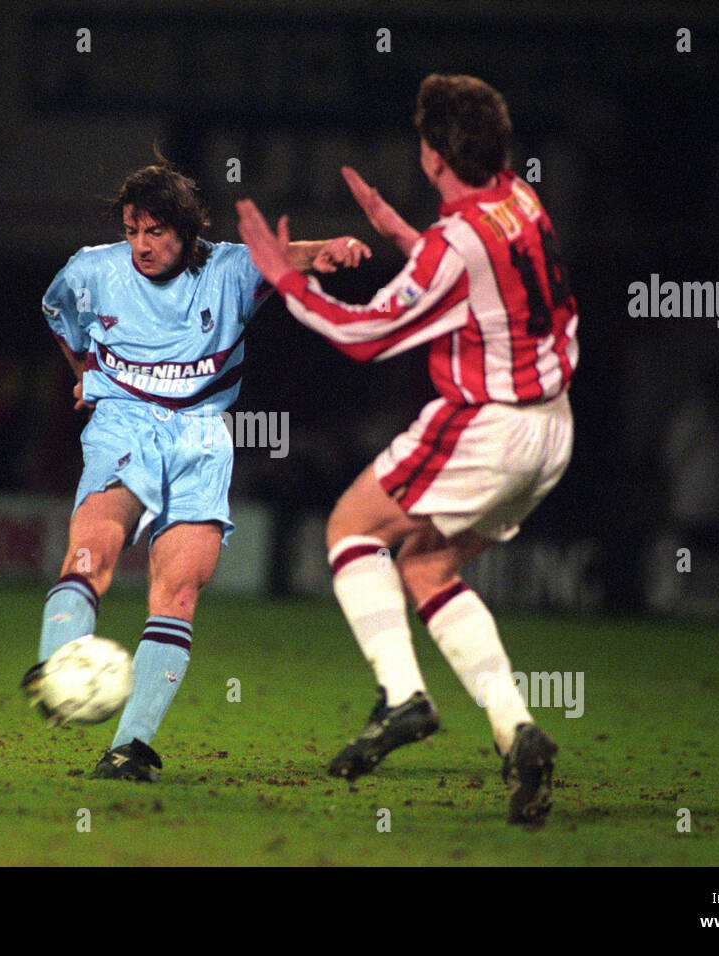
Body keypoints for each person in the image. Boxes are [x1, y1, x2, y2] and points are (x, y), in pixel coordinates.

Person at [236, 74, 578, 825]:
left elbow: (365, 334)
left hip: (489, 421)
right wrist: (402, 236)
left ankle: (402, 698)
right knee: (427, 565)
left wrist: (282, 276)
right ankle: (516, 729)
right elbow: (488, 278)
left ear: (430, 157)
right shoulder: (522, 199)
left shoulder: (454, 246)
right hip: (554, 428)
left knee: (349, 530)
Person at [23, 159, 370, 781]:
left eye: (155, 232)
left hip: (202, 437)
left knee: (180, 590)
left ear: (187, 231)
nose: (141, 246)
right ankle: (55, 668)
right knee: (93, 545)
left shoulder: (228, 270)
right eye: (132, 230)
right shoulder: (89, 271)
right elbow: (59, 319)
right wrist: (84, 376)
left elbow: (283, 254)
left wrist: (330, 249)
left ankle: (131, 747)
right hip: (123, 424)